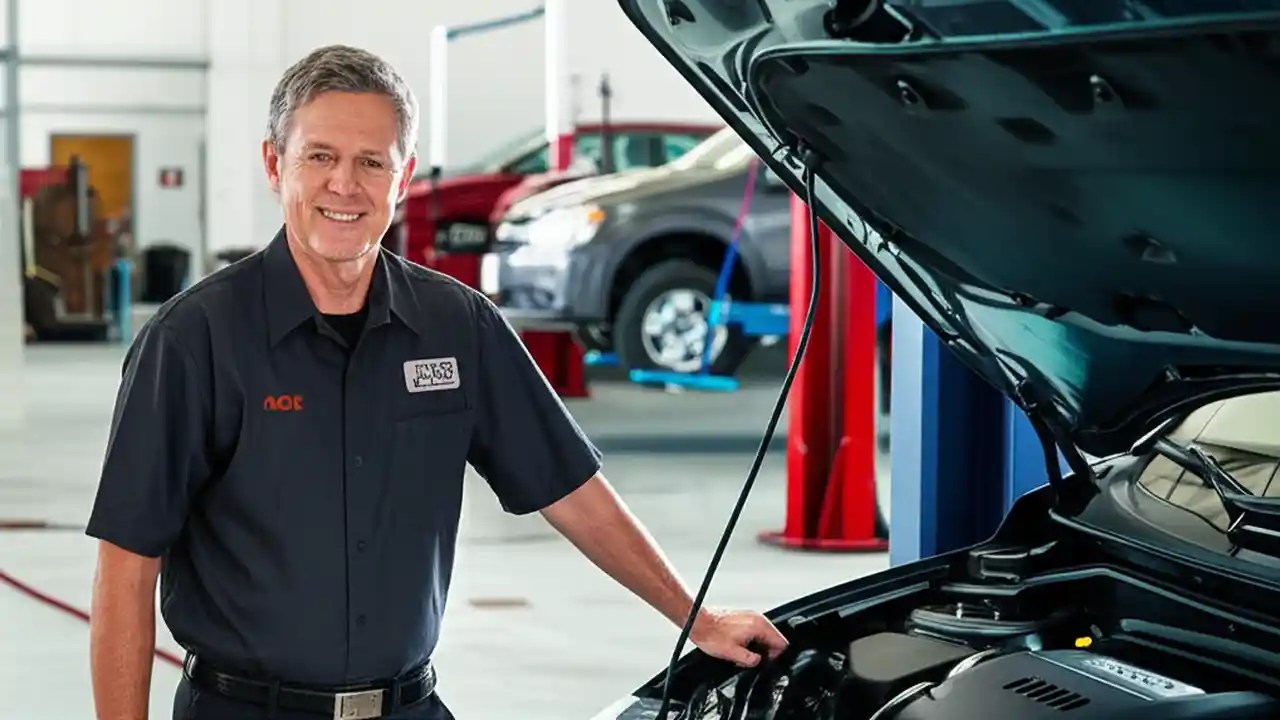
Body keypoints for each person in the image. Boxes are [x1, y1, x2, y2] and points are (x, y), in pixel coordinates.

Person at [85, 44, 788, 720]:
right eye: (319, 157)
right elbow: (127, 568)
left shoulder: (457, 326)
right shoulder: (193, 340)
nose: (344, 185)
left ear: (404, 174)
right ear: (275, 165)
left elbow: (571, 489)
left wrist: (695, 616)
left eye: (371, 162)